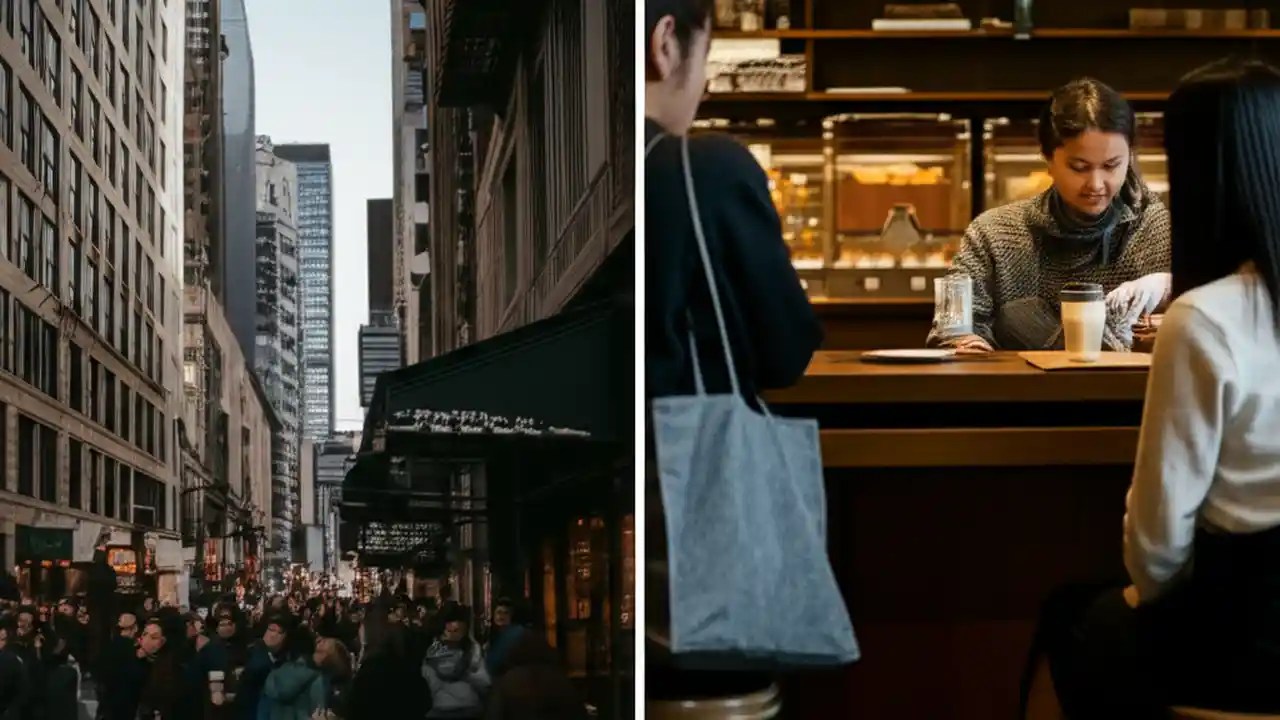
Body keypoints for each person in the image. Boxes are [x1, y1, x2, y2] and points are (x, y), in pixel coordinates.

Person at [1022, 58, 1280, 718]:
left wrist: (1153, 590)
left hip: (1245, 643)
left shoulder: (1206, 319)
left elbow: (1157, 547)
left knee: (1075, 619)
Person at [645, 0, 819, 706]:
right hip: (697, 535)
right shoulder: (706, 168)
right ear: (666, 43)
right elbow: (785, 353)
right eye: (707, 60)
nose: (706, 85)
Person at [927, 78, 1172, 352]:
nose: (1096, 183)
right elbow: (953, 324)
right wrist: (965, 341)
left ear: (1130, 156)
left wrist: (1168, 296)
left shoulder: (1156, 228)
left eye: (1112, 165)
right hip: (1022, 391)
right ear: (1047, 158)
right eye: (1079, 167)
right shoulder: (995, 233)